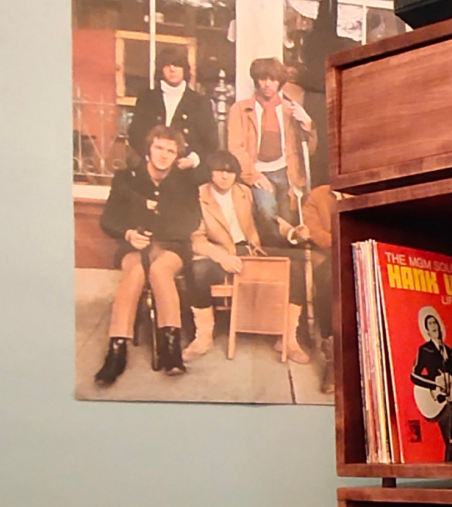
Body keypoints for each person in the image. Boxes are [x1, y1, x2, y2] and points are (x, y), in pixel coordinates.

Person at [94, 125, 202, 384]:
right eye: (159, 148)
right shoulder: (126, 178)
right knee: (136, 272)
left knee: (159, 270)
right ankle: (116, 351)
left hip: (171, 246)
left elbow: (190, 222)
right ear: (148, 149)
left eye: (170, 151)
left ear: (177, 156)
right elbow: (108, 219)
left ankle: (171, 347)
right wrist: (129, 233)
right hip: (134, 246)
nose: (164, 155)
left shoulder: (185, 182)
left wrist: (155, 227)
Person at [226, 57, 317, 245]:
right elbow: (235, 148)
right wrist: (253, 175)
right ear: (256, 80)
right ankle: (272, 253)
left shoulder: (289, 109)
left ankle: (286, 261)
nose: (268, 84)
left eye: (273, 79)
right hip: (258, 171)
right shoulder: (240, 109)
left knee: (289, 216)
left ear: (280, 82)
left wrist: (308, 125)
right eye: (263, 78)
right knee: (267, 211)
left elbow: (309, 151)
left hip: (286, 172)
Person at [185, 151, 263, 361]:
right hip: (216, 252)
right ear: (211, 173)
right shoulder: (199, 195)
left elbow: (265, 220)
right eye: (219, 171)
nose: (224, 176)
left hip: (246, 249)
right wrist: (221, 257)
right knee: (197, 271)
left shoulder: (244, 192)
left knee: (293, 265)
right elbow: (196, 238)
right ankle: (203, 336)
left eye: (229, 171)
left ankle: (286, 337)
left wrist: (291, 232)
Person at [127, 48, 218, 174]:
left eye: (177, 65)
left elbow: (211, 143)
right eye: (167, 65)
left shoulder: (200, 102)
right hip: (149, 168)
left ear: (184, 70)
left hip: (185, 170)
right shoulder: (147, 99)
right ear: (160, 70)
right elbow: (135, 134)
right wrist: (149, 157)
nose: (172, 69)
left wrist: (193, 160)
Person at [291, 182, 340, 393]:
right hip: (329, 256)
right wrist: (343, 241)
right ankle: (334, 360)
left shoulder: (369, 191)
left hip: (367, 250)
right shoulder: (318, 196)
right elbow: (315, 233)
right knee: (330, 279)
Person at [411, 307, 452, 461]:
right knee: (450, 444)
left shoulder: (451, 352)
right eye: (430, 324)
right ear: (427, 330)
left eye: (435, 323)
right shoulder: (424, 350)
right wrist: (434, 385)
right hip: (440, 402)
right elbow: (414, 375)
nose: (434, 326)